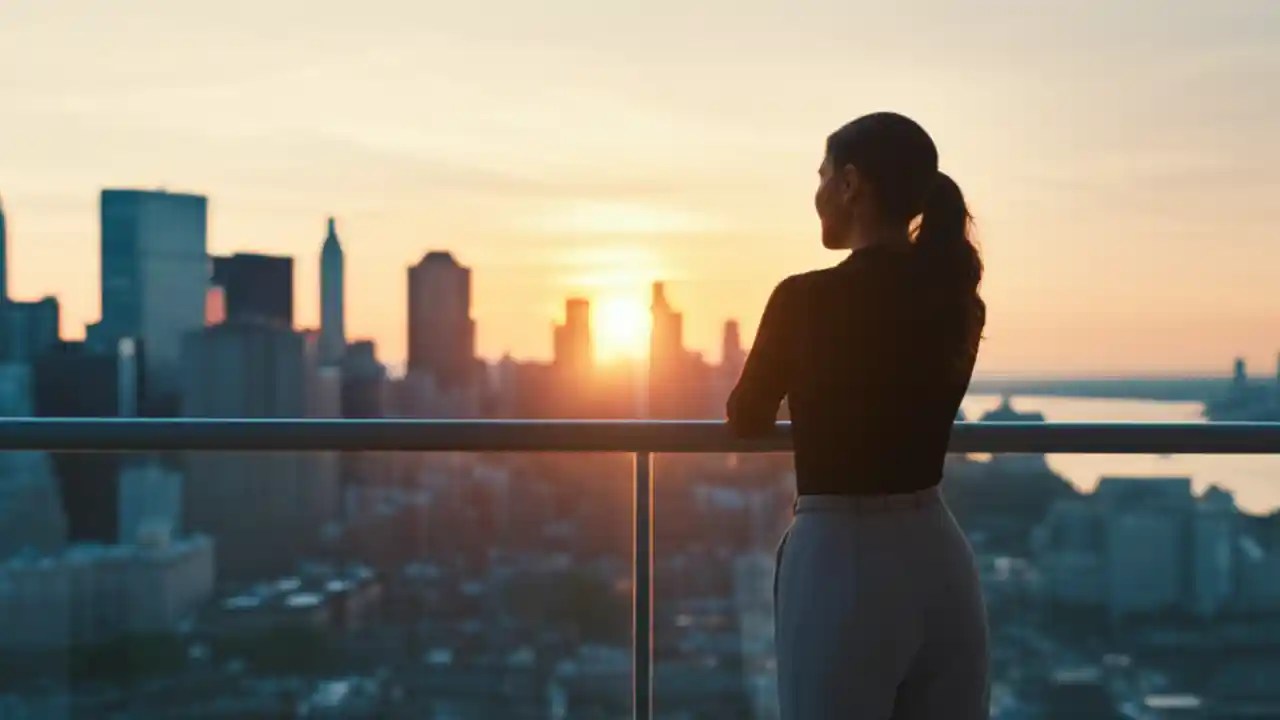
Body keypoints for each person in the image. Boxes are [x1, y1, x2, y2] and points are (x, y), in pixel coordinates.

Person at [727, 111, 988, 719]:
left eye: (821, 177)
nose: (815, 194)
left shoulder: (804, 298)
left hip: (841, 554)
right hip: (940, 553)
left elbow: (747, 416)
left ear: (850, 184)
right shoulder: (958, 301)